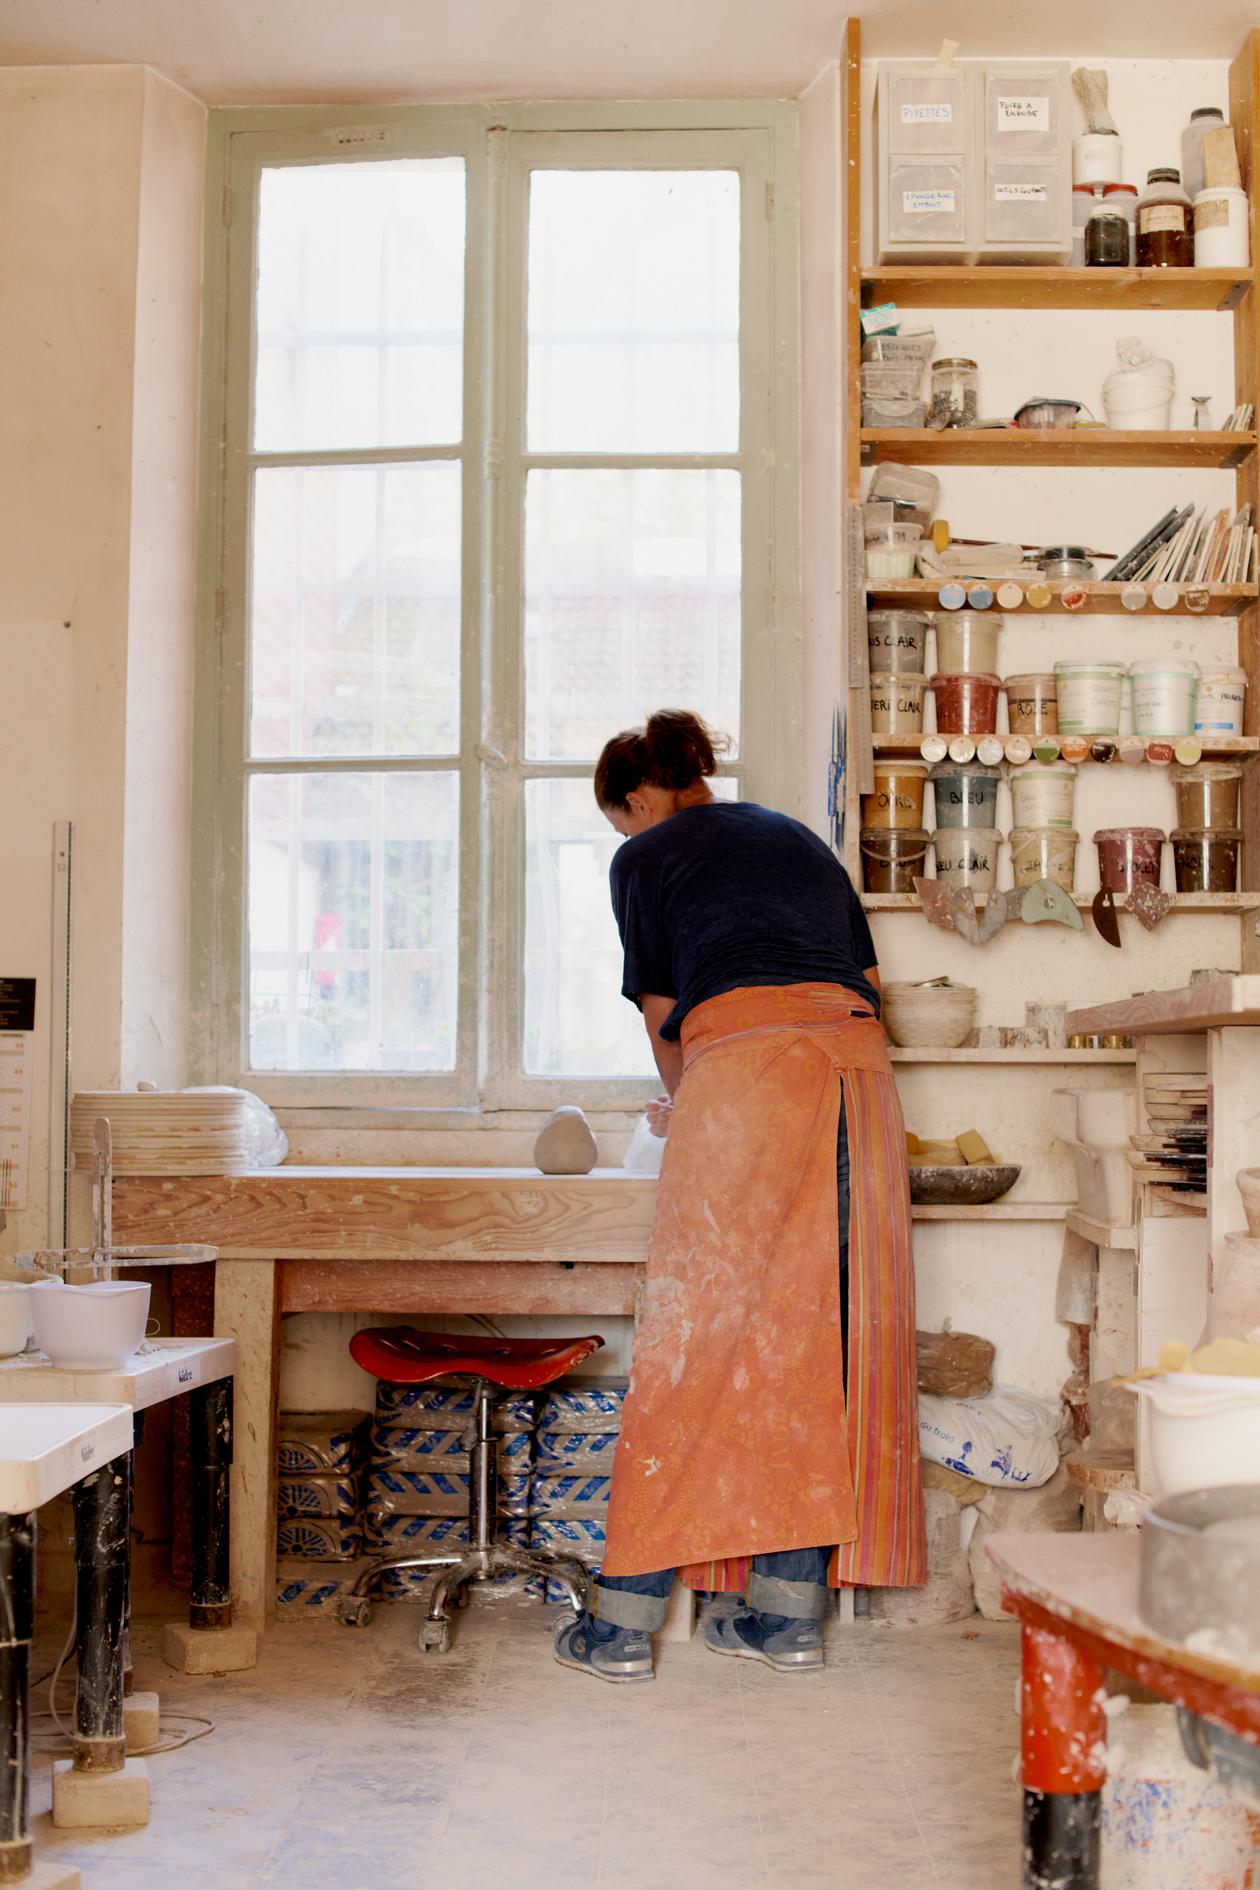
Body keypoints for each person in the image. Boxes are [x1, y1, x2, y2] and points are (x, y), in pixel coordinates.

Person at [554, 709, 925, 1685]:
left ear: (639, 800)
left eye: (621, 820)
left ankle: (620, 1627)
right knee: (813, 1343)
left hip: (755, 1074)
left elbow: (666, 1017)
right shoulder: (794, 837)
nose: (626, 835)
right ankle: (786, 1620)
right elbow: (869, 983)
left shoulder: (646, 857)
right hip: (859, 1077)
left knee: (690, 1342)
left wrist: (694, 1105)